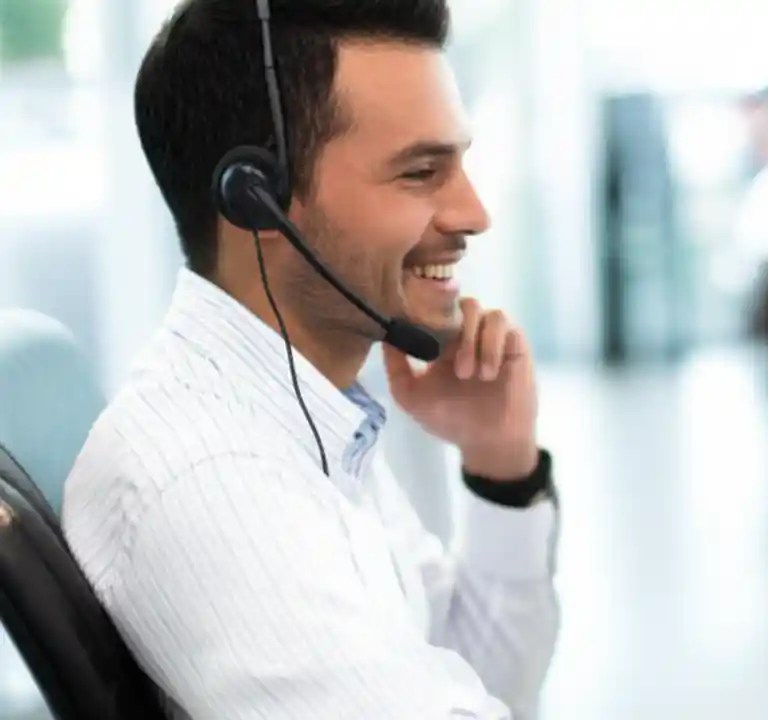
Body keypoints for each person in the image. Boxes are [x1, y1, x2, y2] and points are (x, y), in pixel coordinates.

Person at [60, 1, 560, 718]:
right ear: (256, 199)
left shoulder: (306, 414)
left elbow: (480, 677)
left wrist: (501, 468)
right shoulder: (215, 478)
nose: (474, 212)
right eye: (421, 172)